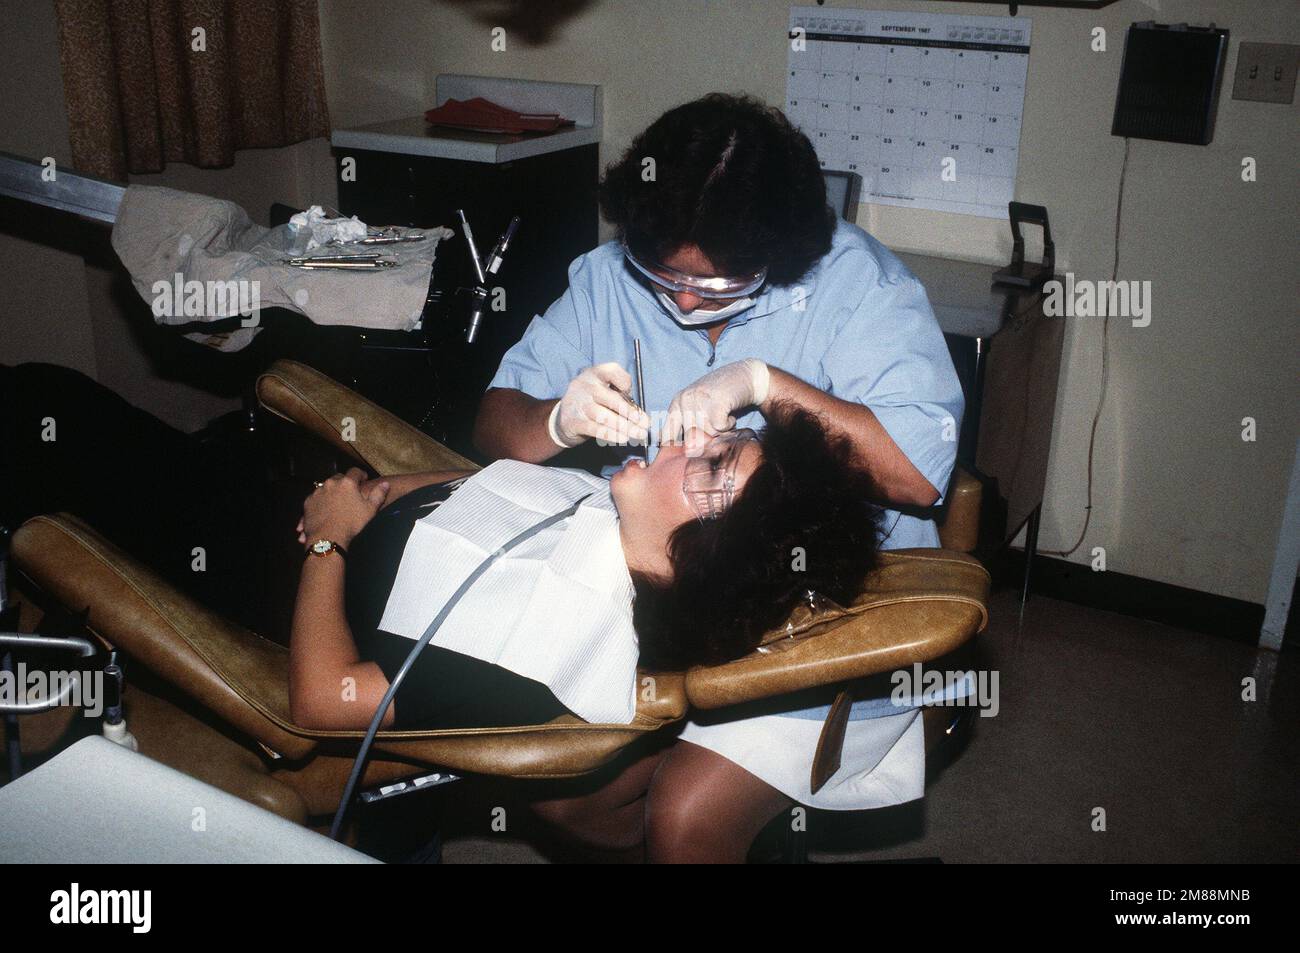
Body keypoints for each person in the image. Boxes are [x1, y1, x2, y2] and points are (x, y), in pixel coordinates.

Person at [472, 92, 965, 861]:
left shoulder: (858, 287)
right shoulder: (607, 280)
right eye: (664, 274)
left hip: (825, 619)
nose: (686, 302)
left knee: (686, 817)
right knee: (567, 801)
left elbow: (918, 476)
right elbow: (493, 423)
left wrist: (764, 383)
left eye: (722, 286)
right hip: (659, 610)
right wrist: (554, 421)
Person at [288, 400, 882, 731]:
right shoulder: (602, 507)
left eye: (710, 466)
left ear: (703, 556)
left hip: (274, 575)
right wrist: (357, 496)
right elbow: (470, 490)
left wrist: (327, 541)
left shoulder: (532, 652)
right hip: (325, 508)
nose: (688, 439)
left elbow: (319, 699)